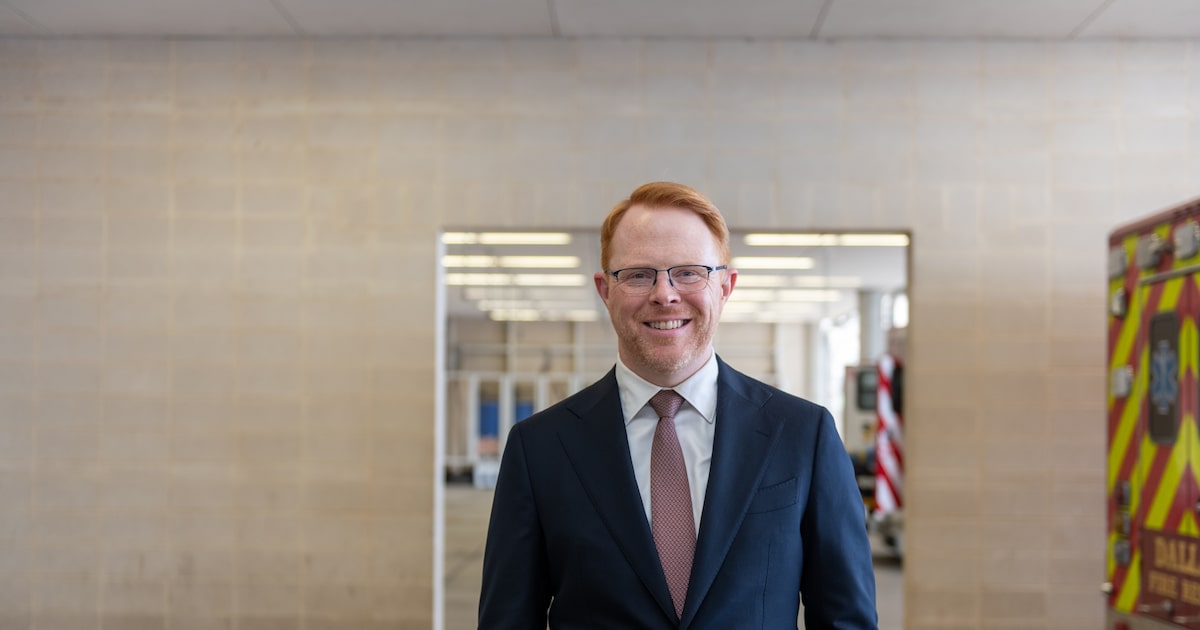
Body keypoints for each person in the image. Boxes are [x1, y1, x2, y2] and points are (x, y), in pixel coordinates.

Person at [478, 181, 877, 629]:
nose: (664, 294)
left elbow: (846, 620)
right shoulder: (540, 448)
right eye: (638, 274)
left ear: (725, 286)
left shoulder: (803, 434)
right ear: (605, 290)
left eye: (689, 272)